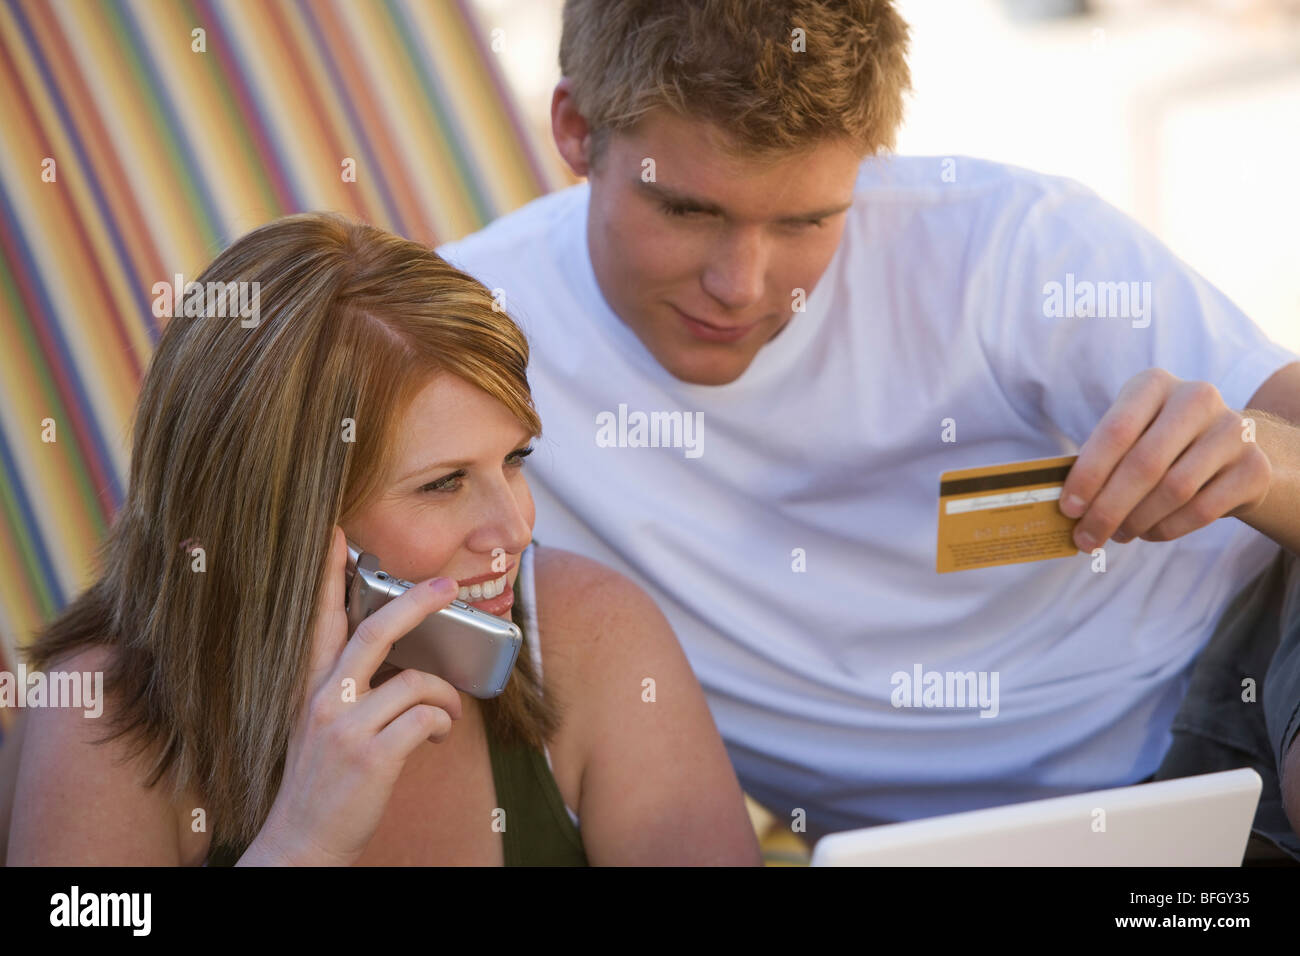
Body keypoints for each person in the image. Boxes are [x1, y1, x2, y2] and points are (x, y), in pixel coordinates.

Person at [436, 0, 1300, 858]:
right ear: (576, 129)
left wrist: (1256, 453)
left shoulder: (1007, 246)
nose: (740, 284)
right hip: (992, 846)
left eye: (805, 221)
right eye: (689, 212)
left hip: (1249, 664)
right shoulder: (462, 344)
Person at [6, 212, 761, 866]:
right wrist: (303, 841)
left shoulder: (593, 635)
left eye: (513, 462)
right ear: (279, 523)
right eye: (443, 483)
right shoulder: (103, 720)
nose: (514, 530)